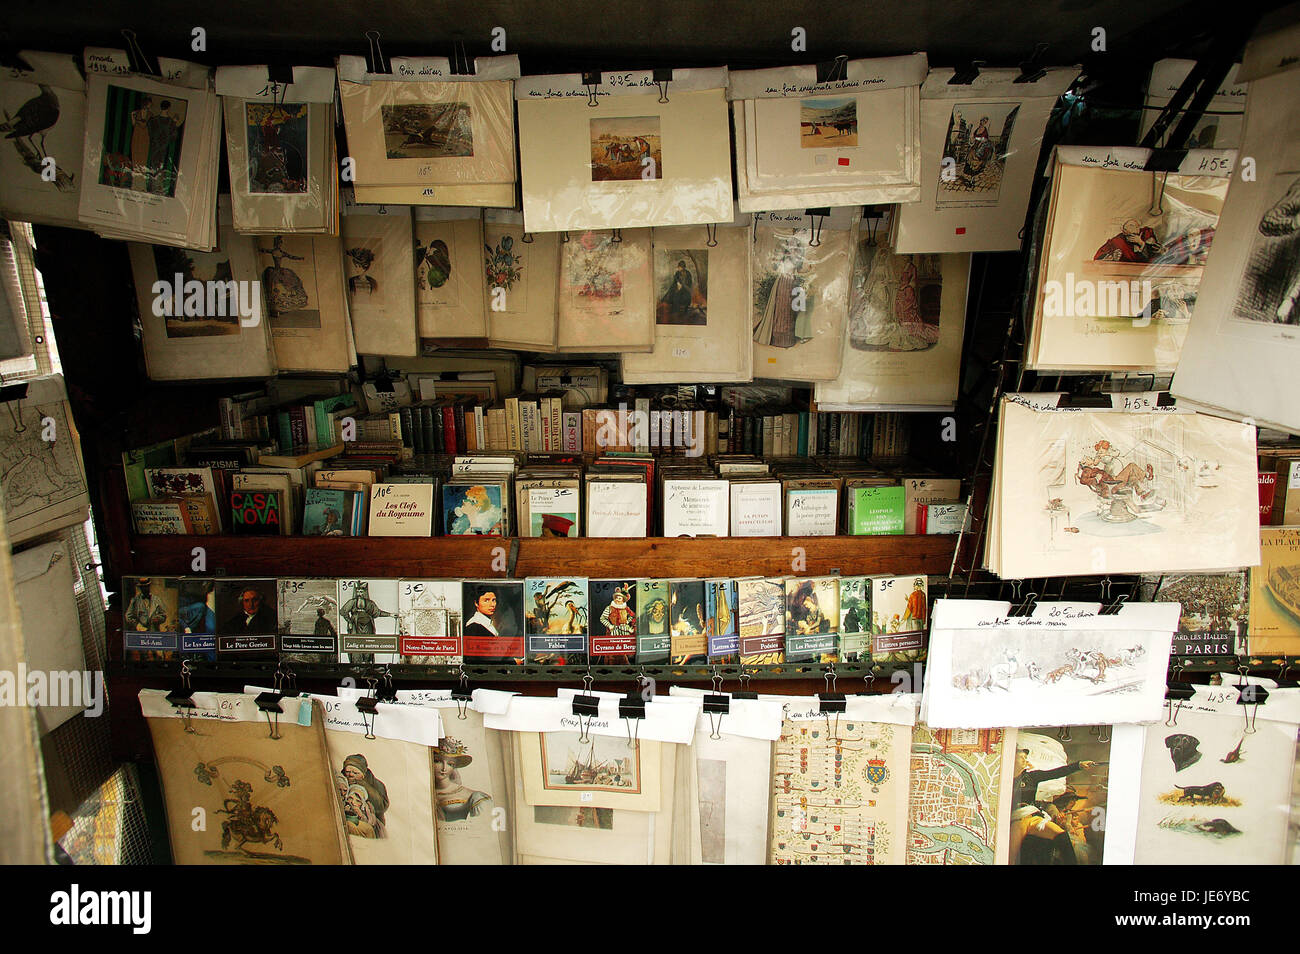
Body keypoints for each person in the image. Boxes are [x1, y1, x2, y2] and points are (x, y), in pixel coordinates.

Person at [1009, 748, 1098, 865]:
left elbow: (1056, 773)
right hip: (1017, 820)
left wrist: (1079, 765)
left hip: (1033, 817)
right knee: (1011, 858)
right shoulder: (1004, 778)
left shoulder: (1032, 777)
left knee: (1062, 836)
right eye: (1022, 757)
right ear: (1013, 759)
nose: (1026, 760)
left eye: (1026, 758)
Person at [433, 739, 493, 822]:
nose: (444, 768)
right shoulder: (420, 792)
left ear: (454, 767)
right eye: (437, 761)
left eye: (450, 764)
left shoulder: (475, 797)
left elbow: (482, 826)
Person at [1077, 440, 1155, 500]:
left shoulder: (1094, 467)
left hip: (1112, 479)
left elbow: (1116, 453)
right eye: (1088, 458)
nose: (1100, 451)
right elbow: (1085, 478)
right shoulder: (1089, 470)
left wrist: (1106, 455)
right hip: (1113, 482)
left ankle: (1141, 493)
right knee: (1131, 466)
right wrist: (1096, 478)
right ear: (1085, 463)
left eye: (1102, 449)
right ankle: (1146, 476)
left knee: (1133, 477)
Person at [339, 754, 388, 835]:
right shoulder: (342, 779)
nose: (350, 775)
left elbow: (382, 806)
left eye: (355, 773)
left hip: (372, 824)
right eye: (348, 771)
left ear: (363, 775)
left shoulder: (377, 785)